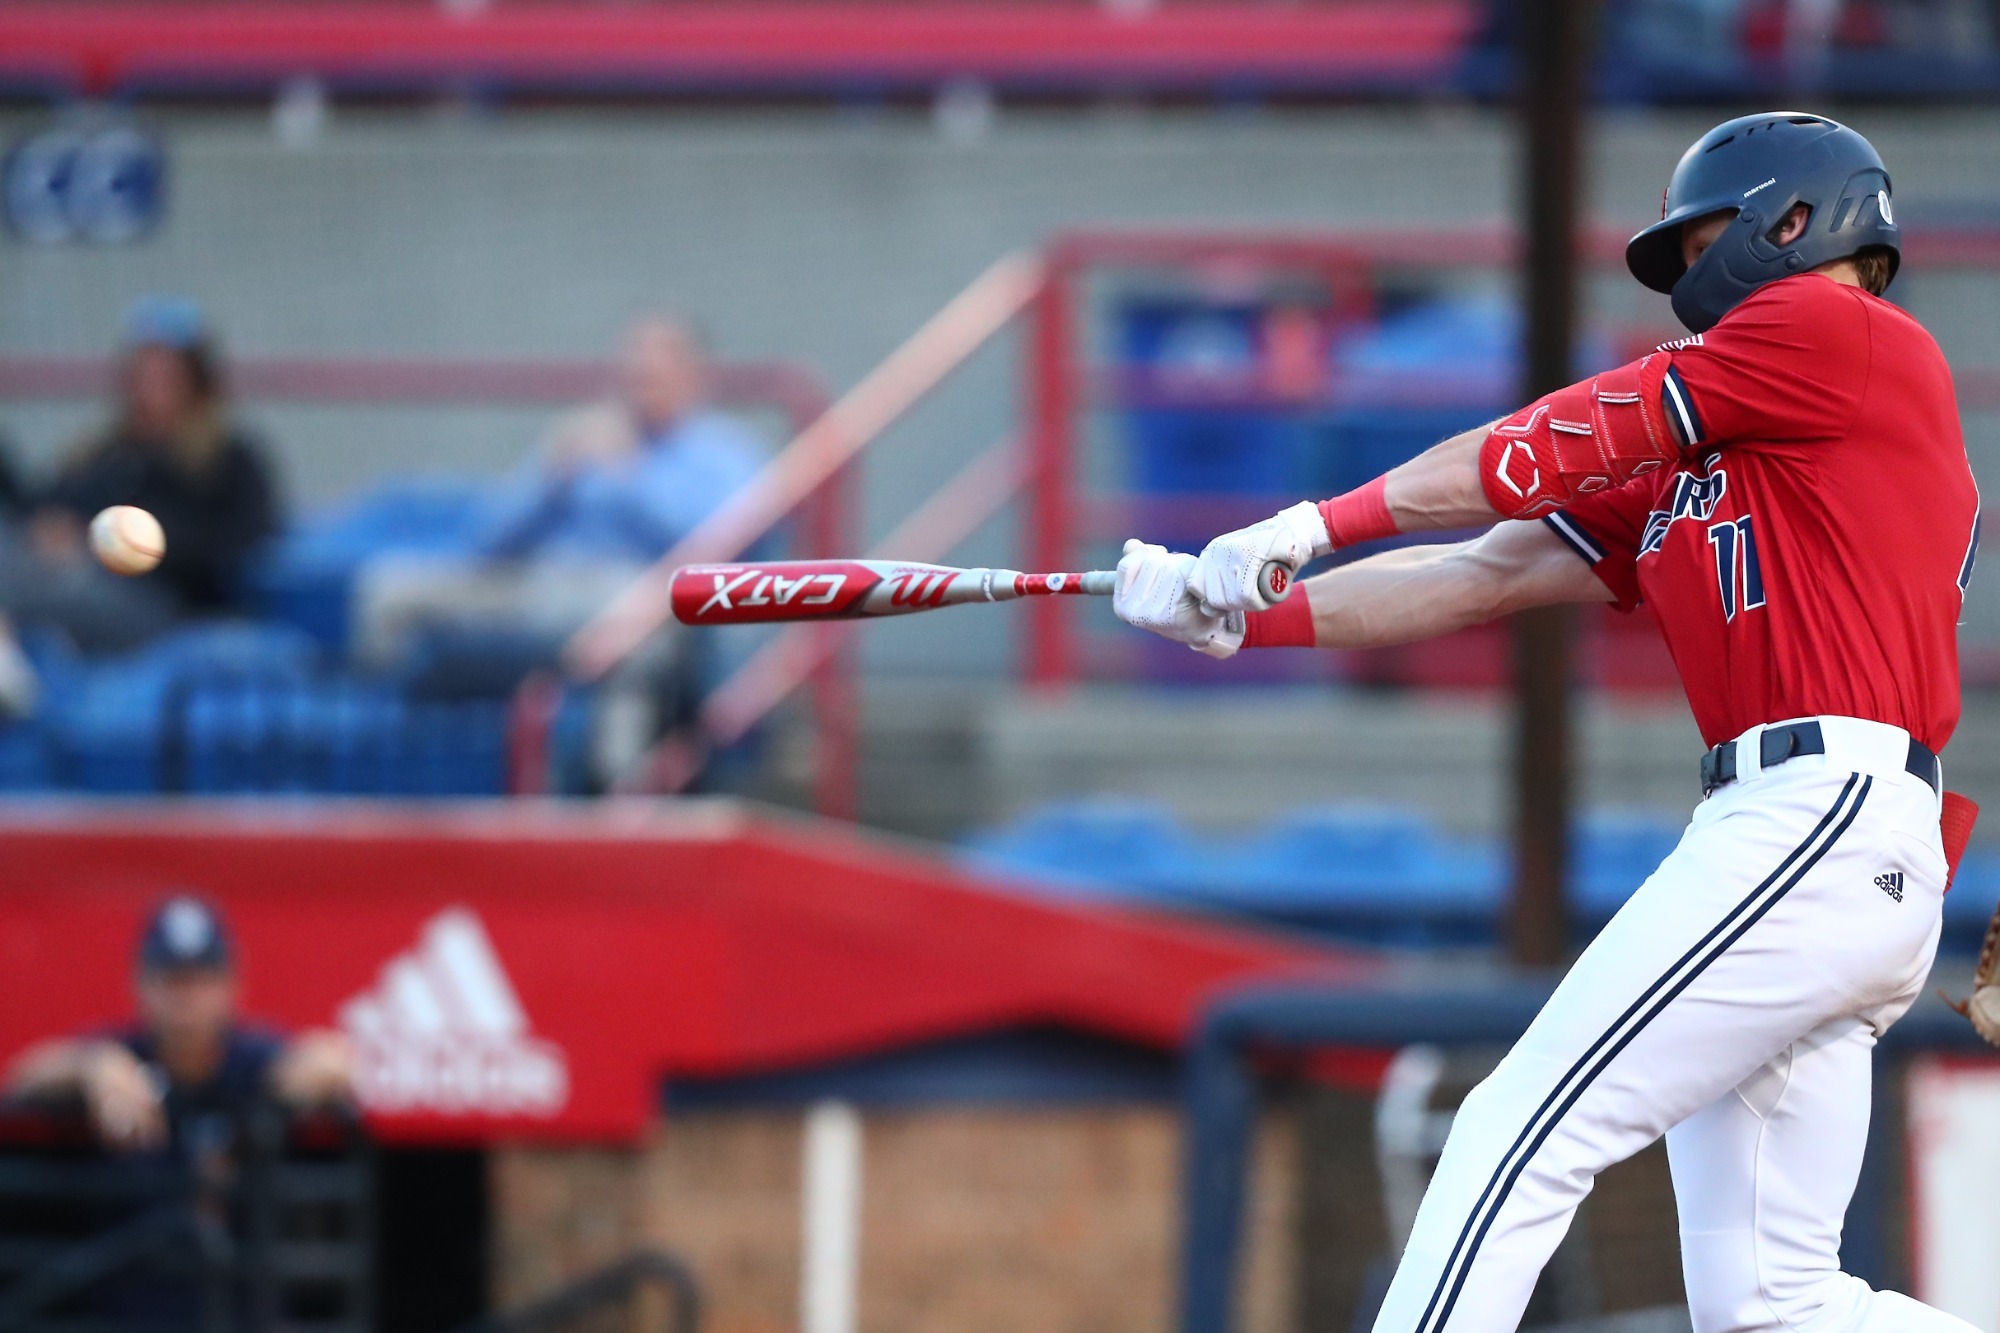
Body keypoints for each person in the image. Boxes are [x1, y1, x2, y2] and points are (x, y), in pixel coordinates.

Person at [1114, 113, 1980, 1331]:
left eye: (1704, 239)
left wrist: (1308, 524)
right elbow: (1483, 571)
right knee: (1776, 1302)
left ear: (1795, 221)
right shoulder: (1743, 429)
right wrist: (1237, 615)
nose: (1688, 275)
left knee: (1513, 1131)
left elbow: (1537, 446)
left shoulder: (1830, 331)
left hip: (1813, 813)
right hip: (1832, 844)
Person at [354, 315, 768, 672]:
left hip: (638, 597)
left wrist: (630, 478)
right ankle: (375, 738)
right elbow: (488, 541)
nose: (645, 366)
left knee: (630, 625)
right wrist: (554, 478)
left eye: (663, 355)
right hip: (536, 589)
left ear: (696, 373)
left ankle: (611, 765)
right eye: (636, 355)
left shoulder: (724, 453)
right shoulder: (587, 433)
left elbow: (720, 550)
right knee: (387, 589)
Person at [7, 895, 352, 1155]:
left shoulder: (251, 1059)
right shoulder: (123, 1052)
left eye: (202, 981)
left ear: (232, 986)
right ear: (139, 984)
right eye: (172, 981)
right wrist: (92, 1067)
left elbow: (332, 1062)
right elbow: (23, 1075)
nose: (187, 999)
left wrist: (301, 1079)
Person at [31, 296, 282, 620]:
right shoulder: (106, 453)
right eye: (144, 374)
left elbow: (246, 542)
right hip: (84, 586)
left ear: (195, 384)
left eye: (167, 375)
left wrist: (118, 543)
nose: (151, 388)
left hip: (174, 606)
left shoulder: (227, 458)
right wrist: (51, 528)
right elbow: (51, 503)